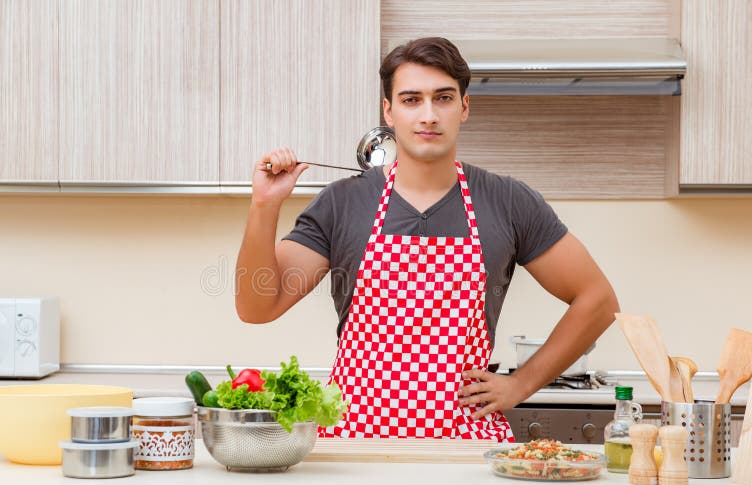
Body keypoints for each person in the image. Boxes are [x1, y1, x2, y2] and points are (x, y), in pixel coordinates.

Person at [235, 37, 619, 441]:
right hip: (356, 444)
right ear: (389, 111)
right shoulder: (343, 202)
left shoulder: (508, 201)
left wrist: (520, 384)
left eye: (444, 98)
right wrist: (264, 205)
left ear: (464, 107)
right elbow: (257, 307)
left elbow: (598, 300)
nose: (429, 115)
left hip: (463, 443)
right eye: (412, 99)